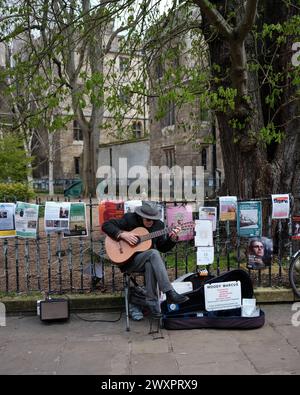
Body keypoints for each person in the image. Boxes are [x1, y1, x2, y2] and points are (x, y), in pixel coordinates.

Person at [102, 201, 189, 318]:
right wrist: (122, 234)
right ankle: (169, 292)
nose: (150, 222)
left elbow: (163, 248)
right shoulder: (129, 219)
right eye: (147, 219)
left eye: (153, 219)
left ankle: (153, 306)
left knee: (151, 263)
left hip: (149, 261)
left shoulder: (159, 225)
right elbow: (106, 225)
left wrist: (172, 238)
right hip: (129, 261)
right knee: (153, 253)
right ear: (141, 216)